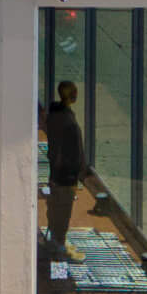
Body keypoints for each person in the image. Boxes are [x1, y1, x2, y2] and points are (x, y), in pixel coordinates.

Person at [42, 79, 88, 262]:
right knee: (63, 210)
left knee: (55, 208)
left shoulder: (56, 115)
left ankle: (57, 240)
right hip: (65, 175)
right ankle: (60, 249)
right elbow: (74, 152)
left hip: (56, 171)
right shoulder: (68, 121)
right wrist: (79, 174)